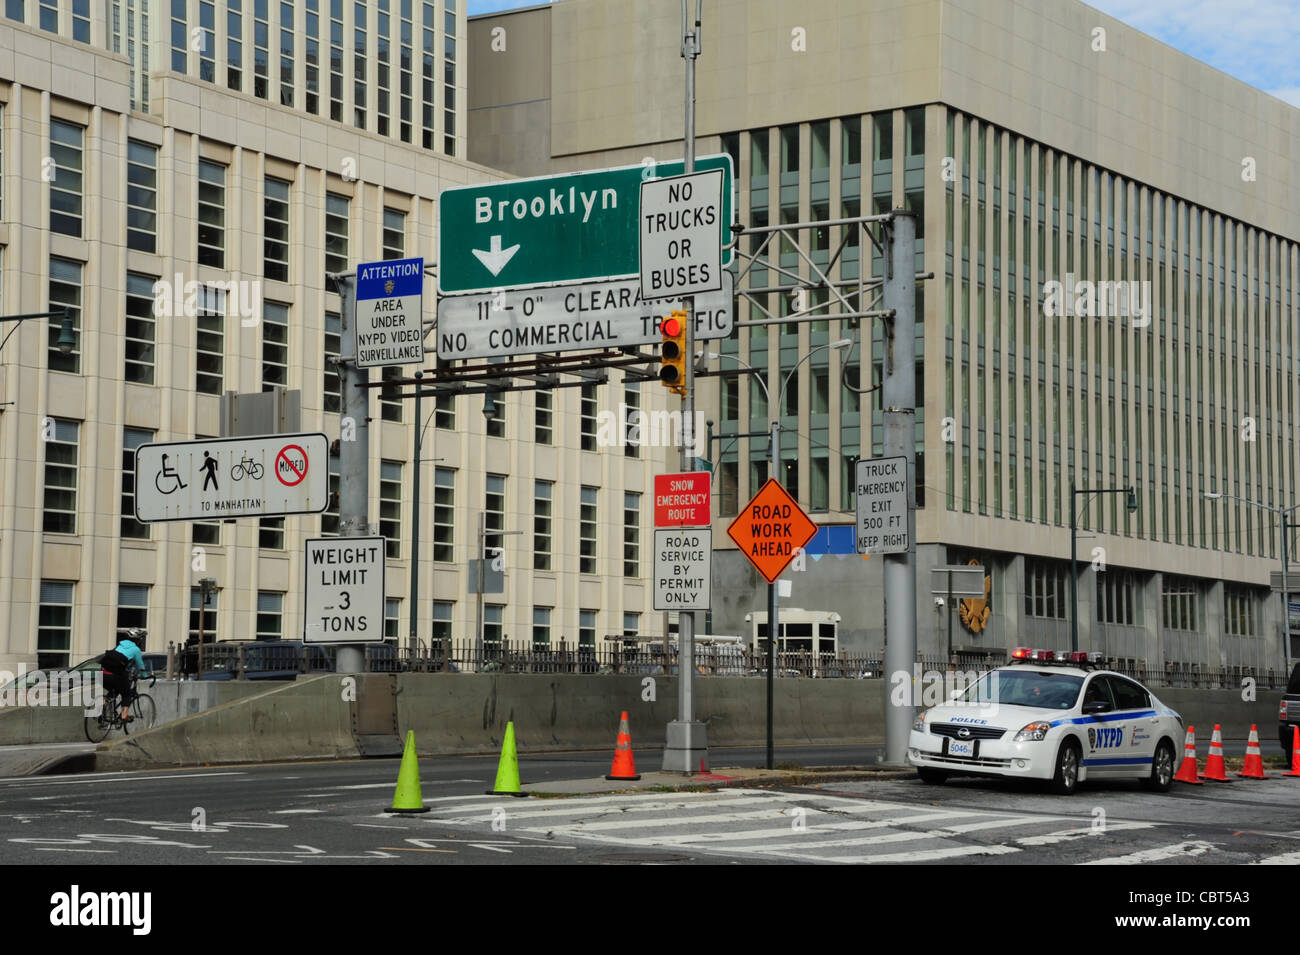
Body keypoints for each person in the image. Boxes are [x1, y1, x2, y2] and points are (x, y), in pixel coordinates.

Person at [101, 628, 147, 723]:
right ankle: (124, 715)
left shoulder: (119, 645)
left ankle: (103, 707)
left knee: (115, 690)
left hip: (103, 675)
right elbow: (140, 665)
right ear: (137, 640)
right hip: (116, 676)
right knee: (127, 694)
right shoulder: (136, 649)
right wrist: (145, 676)